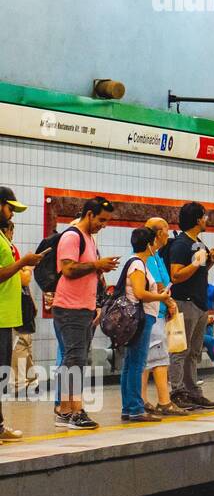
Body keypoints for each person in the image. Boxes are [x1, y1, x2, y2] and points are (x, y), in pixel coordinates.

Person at [53, 196, 119, 430]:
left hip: (83, 308)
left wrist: (96, 305)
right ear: (89, 214)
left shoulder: (89, 238)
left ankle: (66, 410)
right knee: (74, 360)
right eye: (101, 219)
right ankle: (73, 411)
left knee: (76, 359)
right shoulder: (72, 236)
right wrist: (97, 265)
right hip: (69, 308)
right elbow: (68, 269)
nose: (104, 224)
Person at [0, 187, 45, 440]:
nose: (12, 216)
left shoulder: (3, 237)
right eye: (9, 209)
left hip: (6, 315)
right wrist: (22, 263)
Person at [167, 202, 214, 410]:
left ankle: (192, 392)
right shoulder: (181, 244)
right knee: (180, 350)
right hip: (184, 303)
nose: (207, 220)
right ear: (198, 219)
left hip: (199, 304)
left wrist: (210, 262)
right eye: (205, 217)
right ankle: (177, 392)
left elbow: (197, 271)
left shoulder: (197, 241)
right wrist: (197, 263)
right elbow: (176, 275)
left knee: (194, 351)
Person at [119, 226, 176, 423]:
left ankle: (129, 407)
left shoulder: (136, 262)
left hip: (140, 318)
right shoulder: (138, 264)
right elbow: (140, 293)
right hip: (140, 318)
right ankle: (135, 408)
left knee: (130, 364)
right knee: (136, 364)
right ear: (150, 244)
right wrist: (160, 296)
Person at [2, 219, 39, 396]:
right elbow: (22, 280)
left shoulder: (11, 248)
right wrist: (28, 268)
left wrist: (32, 301)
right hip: (11, 306)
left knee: (24, 344)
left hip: (18, 303)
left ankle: (29, 381)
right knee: (21, 344)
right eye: (11, 231)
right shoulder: (10, 249)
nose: (12, 235)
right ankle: (20, 383)